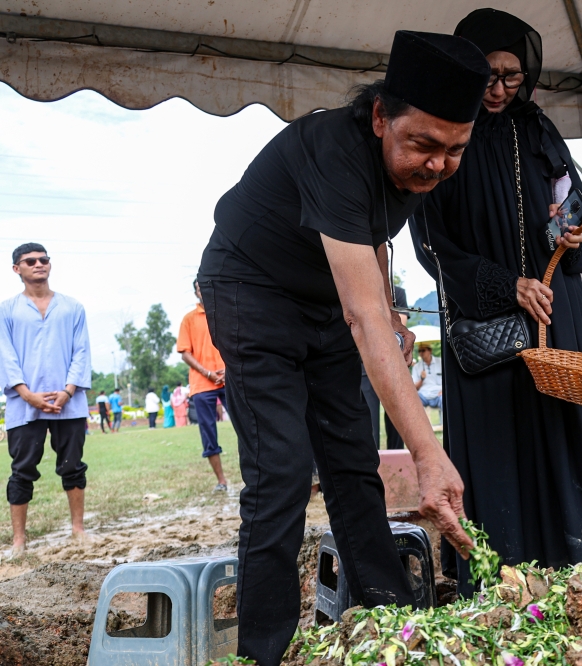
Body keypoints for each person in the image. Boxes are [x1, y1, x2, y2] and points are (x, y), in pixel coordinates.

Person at [195, 31, 490, 665]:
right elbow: (361, 317)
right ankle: (263, 653)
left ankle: (397, 631)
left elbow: (373, 239)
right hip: (251, 290)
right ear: (381, 115)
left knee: (353, 463)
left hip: (325, 296)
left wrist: (388, 304)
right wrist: (428, 454)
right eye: (424, 145)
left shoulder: (406, 167)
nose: (437, 165)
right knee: (282, 471)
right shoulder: (331, 147)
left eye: (455, 150)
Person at [412, 8, 582, 596]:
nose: (500, 88)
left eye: (511, 75)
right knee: (499, 451)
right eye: (487, 75)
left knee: (564, 436)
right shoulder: (444, 131)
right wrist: (505, 284)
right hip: (489, 331)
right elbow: (431, 243)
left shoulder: (539, 130)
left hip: (557, 317)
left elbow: (577, 211)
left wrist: (570, 231)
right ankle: (503, 586)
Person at [0, 243, 91, 556]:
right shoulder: (6, 310)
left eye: (43, 259)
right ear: (17, 269)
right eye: (30, 261)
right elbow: (6, 356)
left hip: (70, 402)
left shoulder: (72, 307)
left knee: (73, 465)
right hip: (23, 404)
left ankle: (78, 530)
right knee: (22, 469)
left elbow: (81, 352)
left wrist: (67, 391)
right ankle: (18, 541)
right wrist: (26, 394)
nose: (39, 264)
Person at [177, 280, 229, 492]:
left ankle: (254, 476)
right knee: (208, 432)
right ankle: (221, 480)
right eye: (199, 287)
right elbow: (185, 352)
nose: (203, 291)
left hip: (229, 378)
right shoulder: (189, 319)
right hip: (201, 383)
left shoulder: (225, 313)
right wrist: (206, 372)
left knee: (246, 428)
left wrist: (230, 369)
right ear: (196, 292)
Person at [360, 283, 408, 449]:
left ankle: (397, 461)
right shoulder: (361, 290)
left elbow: (401, 323)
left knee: (398, 420)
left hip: (393, 362)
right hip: (364, 363)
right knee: (369, 420)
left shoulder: (398, 292)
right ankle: (374, 466)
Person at [411, 342, 443, 409]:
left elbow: (449, 381)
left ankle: (445, 419)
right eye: (419, 351)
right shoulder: (416, 367)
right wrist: (422, 379)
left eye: (423, 350)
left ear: (430, 350)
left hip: (438, 394)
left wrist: (444, 391)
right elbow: (414, 388)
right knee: (412, 399)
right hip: (423, 395)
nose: (421, 353)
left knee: (444, 399)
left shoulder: (441, 362)